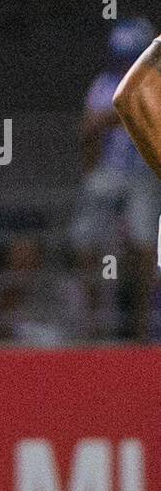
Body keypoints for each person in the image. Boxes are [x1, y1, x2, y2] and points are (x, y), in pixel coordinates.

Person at [71, 18, 158, 340]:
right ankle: (92, 328)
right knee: (85, 242)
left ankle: (141, 330)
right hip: (110, 171)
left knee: (144, 245)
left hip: (145, 172)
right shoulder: (102, 84)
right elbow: (88, 131)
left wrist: (117, 117)